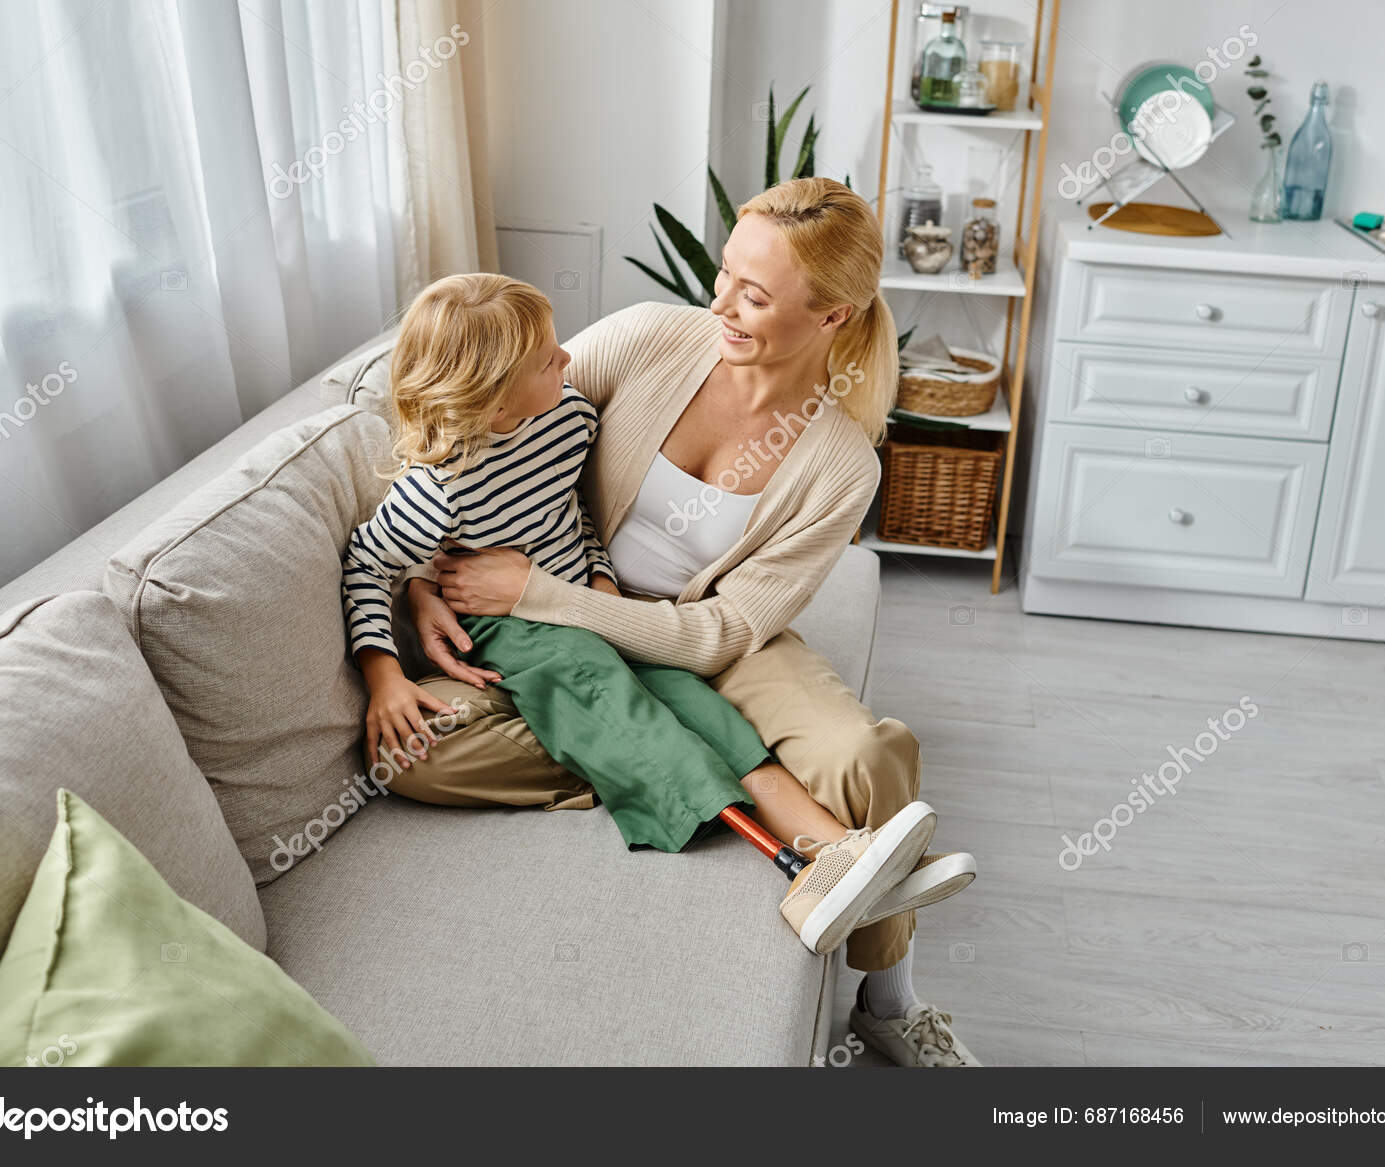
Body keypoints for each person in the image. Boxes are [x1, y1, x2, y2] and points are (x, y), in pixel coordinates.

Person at [391, 179, 981, 1067]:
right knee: (414, 750)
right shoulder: (647, 338)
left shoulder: (839, 464)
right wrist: (421, 582)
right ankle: (696, 773)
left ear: (831, 316)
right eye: (724, 273)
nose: (721, 304)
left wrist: (539, 595)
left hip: (704, 635)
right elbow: (466, 410)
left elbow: (717, 635)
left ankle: (888, 998)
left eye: (754, 293)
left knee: (867, 757)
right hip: (562, 626)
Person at [342, 271, 945, 957]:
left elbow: (571, 515)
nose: (568, 358)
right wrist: (388, 662)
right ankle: (784, 842)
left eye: (754, 293)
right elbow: (369, 560)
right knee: (593, 696)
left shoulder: (567, 421)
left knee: (690, 699)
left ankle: (834, 856)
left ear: (831, 315)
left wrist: (594, 577)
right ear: (498, 402)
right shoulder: (438, 493)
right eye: (549, 358)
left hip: (620, 614)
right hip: (512, 627)